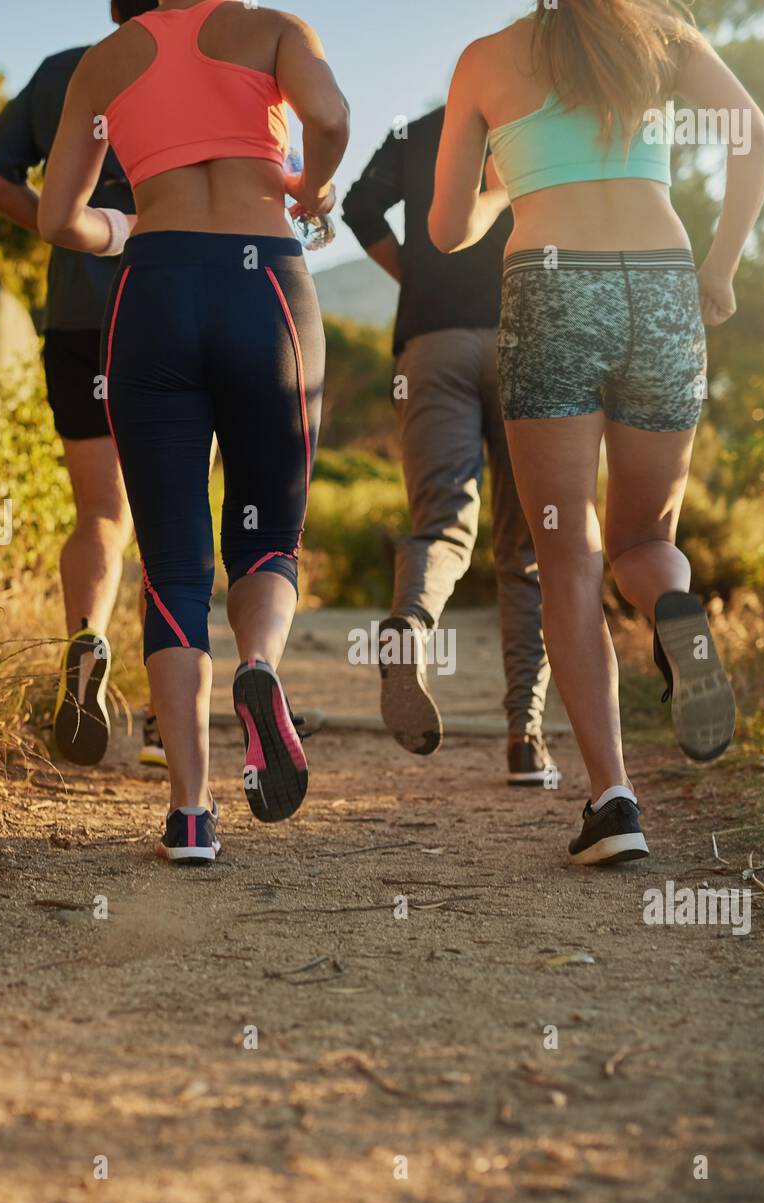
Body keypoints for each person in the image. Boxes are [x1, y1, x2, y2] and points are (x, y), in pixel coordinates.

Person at [430, 0, 764, 864]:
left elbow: (444, 229)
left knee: (567, 552)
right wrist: (720, 267)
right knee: (644, 540)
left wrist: (506, 184)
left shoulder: (485, 57)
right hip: (662, 282)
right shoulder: (663, 35)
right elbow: (755, 139)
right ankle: (673, 610)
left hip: (551, 286)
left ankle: (613, 802)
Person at [37, 0, 349, 864]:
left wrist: (126, 228)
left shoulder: (106, 59)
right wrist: (313, 185)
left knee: (173, 561)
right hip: (268, 294)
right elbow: (329, 116)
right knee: (266, 534)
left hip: (156, 292)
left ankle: (188, 816)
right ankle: (257, 667)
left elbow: (56, 217)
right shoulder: (276, 29)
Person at [0, 0, 170, 770]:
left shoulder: (64, 71)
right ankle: (162, 722)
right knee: (172, 516)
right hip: (169, 305)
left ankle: (86, 635)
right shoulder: (194, 65)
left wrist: (67, 224)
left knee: (100, 513)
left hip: (78, 314)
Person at [342, 109, 555, 786]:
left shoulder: (420, 130)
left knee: (442, 523)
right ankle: (525, 737)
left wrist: (420, 279)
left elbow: (358, 205)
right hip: (528, 341)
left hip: (431, 344)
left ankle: (410, 624)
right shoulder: (545, 127)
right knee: (526, 552)